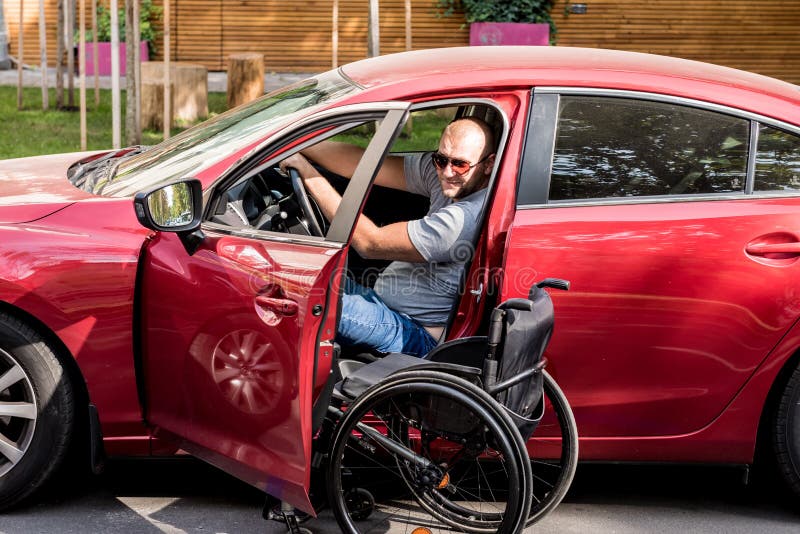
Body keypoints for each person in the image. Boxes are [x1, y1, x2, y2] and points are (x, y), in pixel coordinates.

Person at [280, 117, 495, 357]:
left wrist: (307, 173)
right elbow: (364, 164)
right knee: (295, 281)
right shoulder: (446, 177)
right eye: (441, 159)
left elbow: (369, 243)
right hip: (384, 303)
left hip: (414, 332)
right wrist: (295, 142)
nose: (447, 172)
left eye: (460, 165)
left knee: (296, 300)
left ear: (488, 165)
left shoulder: (462, 220)